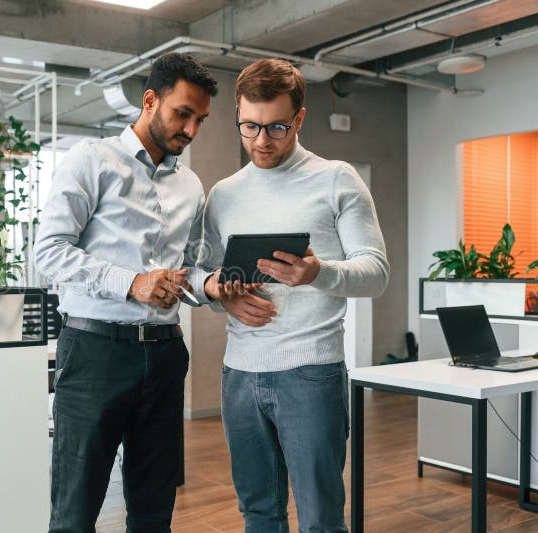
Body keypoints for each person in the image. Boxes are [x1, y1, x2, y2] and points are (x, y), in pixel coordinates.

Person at [198, 59, 390, 532]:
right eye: (249, 126)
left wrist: (318, 273)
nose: (261, 141)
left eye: (277, 127)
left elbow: (377, 272)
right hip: (239, 375)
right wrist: (220, 292)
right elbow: (200, 269)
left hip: (310, 374)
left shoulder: (337, 179)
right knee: (258, 513)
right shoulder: (223, 194)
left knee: (321, 518)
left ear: (300, 120)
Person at [33, 52, 219, 533]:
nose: (191, 130)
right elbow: (48, 252)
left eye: (200, 119)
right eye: (183, 113)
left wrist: (214, 286)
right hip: (94, 353)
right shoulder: (91, 160)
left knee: (154, 511)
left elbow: (191, 269)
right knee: (75, 512)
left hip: (163, 355)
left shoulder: (192, 185)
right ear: (151, 99)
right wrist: (132, 283)